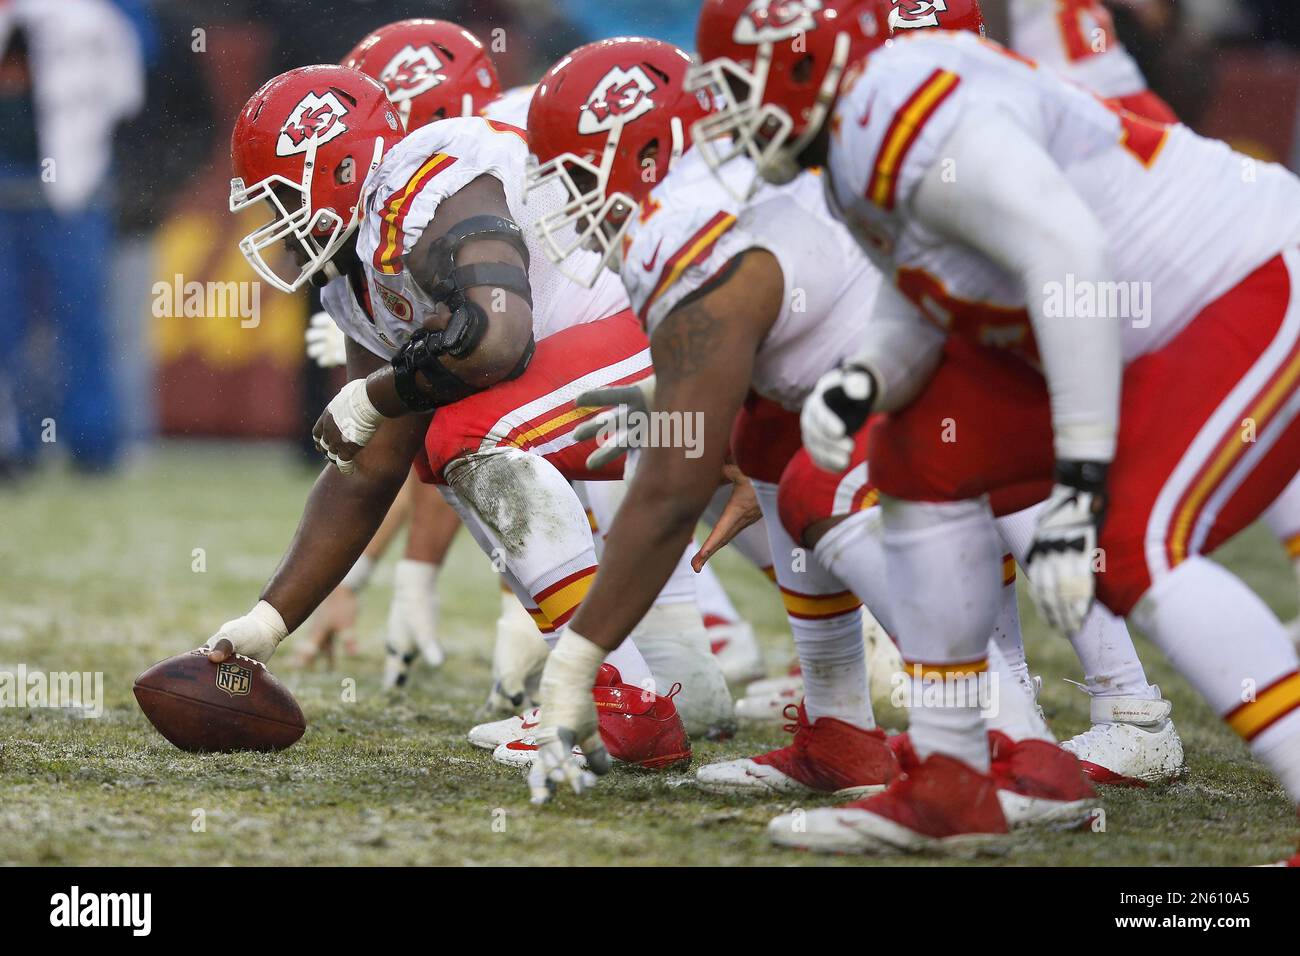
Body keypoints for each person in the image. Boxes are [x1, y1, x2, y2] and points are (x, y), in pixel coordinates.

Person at [690, 0, 1300, 856]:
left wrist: (1081, 479)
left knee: (1132, 547)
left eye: (737, 84)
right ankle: (954, 778)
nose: (729, 112)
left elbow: (1069, 258)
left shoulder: (913, 113)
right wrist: (867, 379)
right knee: (905, 461)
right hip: (1118, 321)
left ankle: (1156, 717)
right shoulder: (855, 143)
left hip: (1228, 283)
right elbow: (931, 284)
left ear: (802, 66)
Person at [206, 57, 734, 769]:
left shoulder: (423, 191)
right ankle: (664, 685)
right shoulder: (357, 279)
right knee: (439, 444)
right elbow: (373, 464)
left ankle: (614, 699)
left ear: (333, 168)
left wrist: (372, 393)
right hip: (633, 352)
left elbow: (496, 342)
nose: (276, 223)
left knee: (466, 430)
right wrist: (266, 623)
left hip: (678, 321)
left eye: (279, 196)